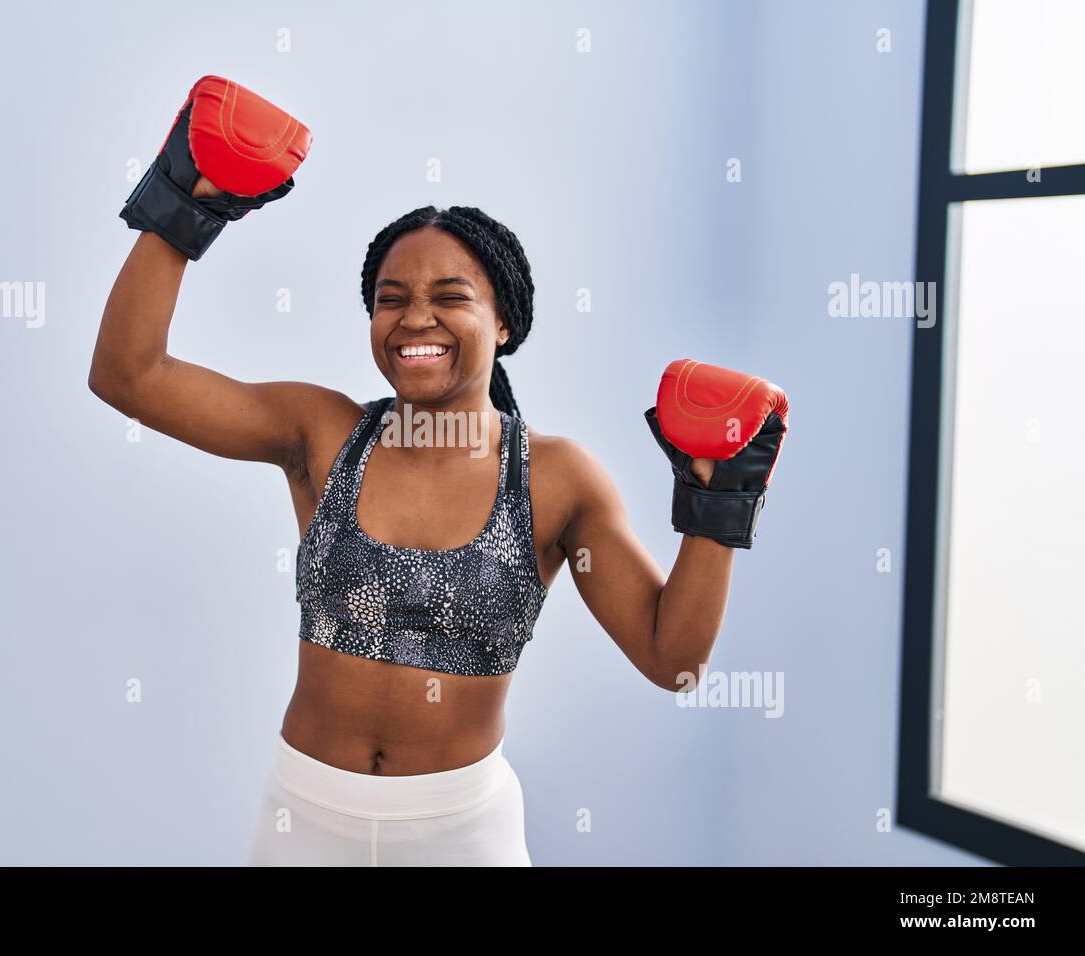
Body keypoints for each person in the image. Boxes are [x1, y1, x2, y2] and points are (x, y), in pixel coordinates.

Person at [89, 76, 788, 867]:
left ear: (504, 320)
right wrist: (191, 204)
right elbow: (128, 374)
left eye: (449, 296)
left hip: (461, 834)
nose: (414, 317)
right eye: (391, 299)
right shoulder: (319, 433)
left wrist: (716, 498)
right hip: (305, 818)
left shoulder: (555, 480)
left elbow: (676, 662)